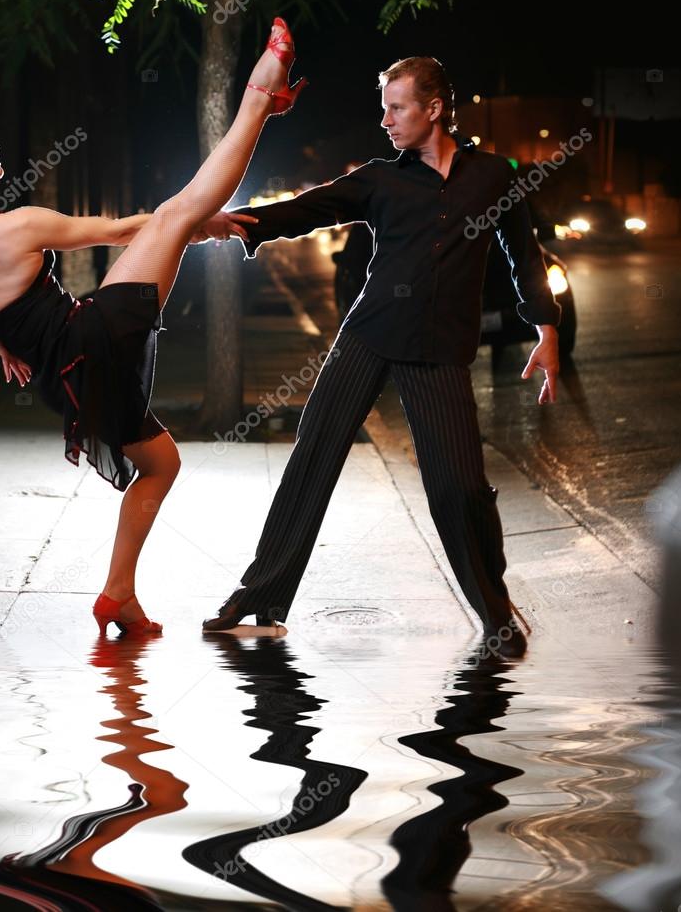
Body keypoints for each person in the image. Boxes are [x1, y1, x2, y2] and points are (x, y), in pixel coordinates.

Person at [0, 19, 306, 637]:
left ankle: (118, 595)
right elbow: (121, 230)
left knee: (161, 461)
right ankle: (260, 98)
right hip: (91, 340)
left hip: (64, 382)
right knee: (178, 208)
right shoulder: (19, 225)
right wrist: (195, 225)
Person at [202, 56, 561, 659]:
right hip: (368, 336)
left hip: (439, 352)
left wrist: (544, 328)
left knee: (460, 488)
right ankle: (259, 596)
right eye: (385, 108)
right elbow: (309, 207)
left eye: (397, 108)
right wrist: (236, 223)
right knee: (313, 458)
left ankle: (494, 610)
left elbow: (523, 254)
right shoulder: (380, 178)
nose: (387, 120)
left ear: (435, 108)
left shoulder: (494, 176)